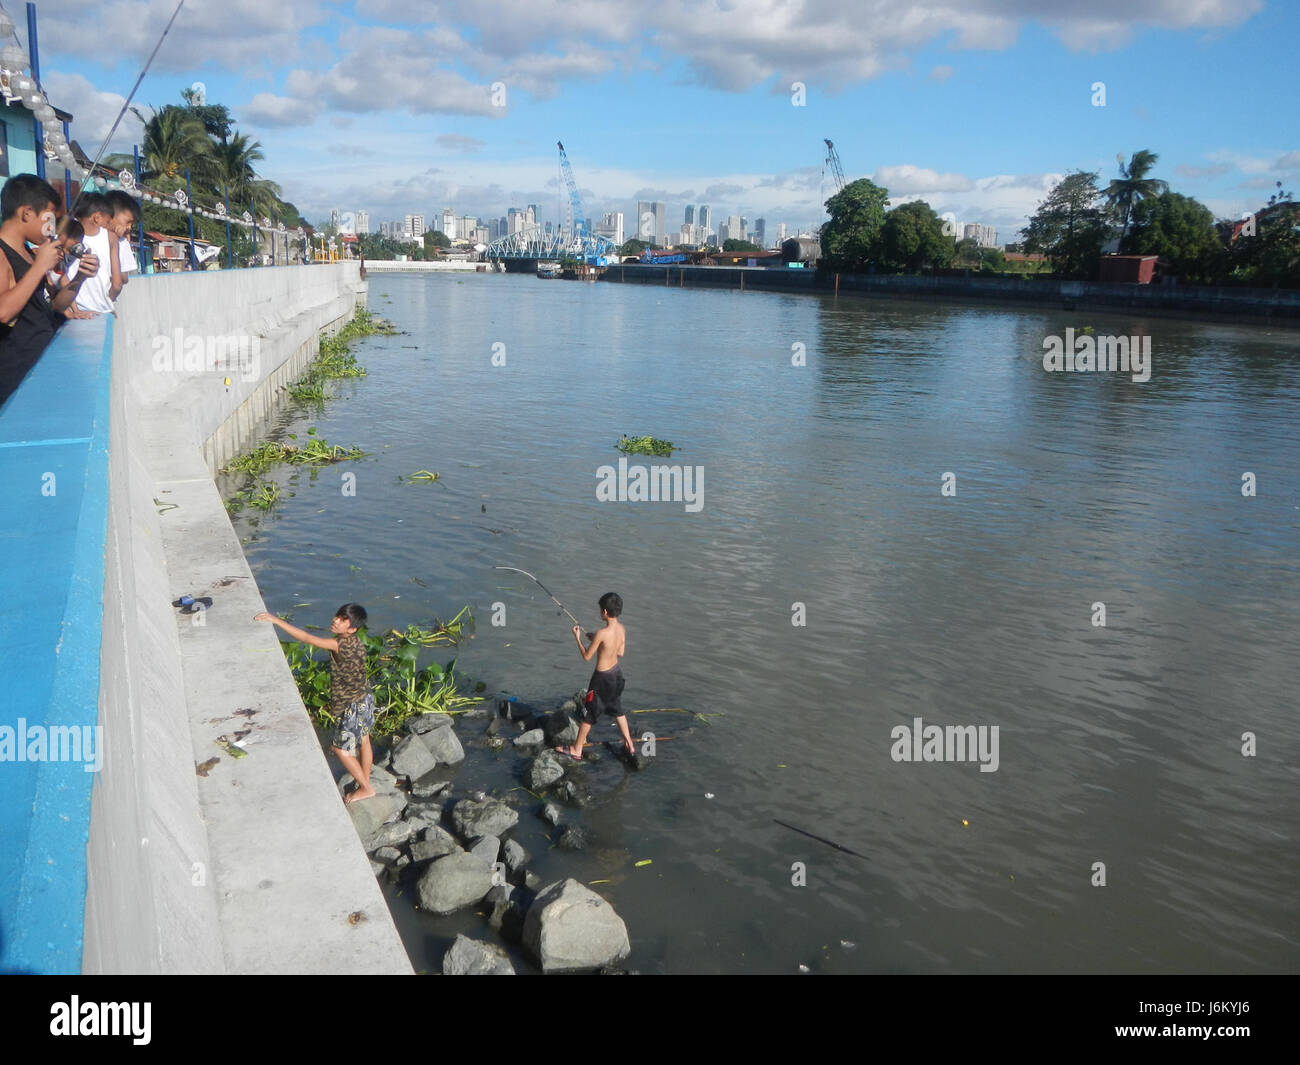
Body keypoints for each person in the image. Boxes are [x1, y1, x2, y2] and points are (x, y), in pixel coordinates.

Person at [255, 603, 378, 802]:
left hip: (350, 705)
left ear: (352, 629)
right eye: (337, 616)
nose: (335, 620)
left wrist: (276, 620)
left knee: (340, 749)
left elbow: (307, 638)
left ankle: (365, 788)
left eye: (342, 620)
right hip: (365, 697)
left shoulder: (339, 644)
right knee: (364, 739)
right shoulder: (356, 642)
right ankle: (366, 780)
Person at [0, 174, 100, 405]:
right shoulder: (3, 253)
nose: (52, 227)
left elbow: (52, 306)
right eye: (49, 218)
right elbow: (3, 312)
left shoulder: (28, 252)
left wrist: (80, 278)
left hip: (37, 372)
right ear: (26, 213)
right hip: (13, 382)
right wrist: (40, 267)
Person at [557, 592, 634, 758]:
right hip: (616, 676)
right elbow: (619, 652)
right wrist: (597, 641)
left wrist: (578, 638)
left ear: (604, 612)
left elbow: (586, 657)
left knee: (589, 713)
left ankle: (576, 749)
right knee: (617, 709)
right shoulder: (621, 629)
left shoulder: (602, 633)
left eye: (600, 609)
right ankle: (630, 744)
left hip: (601, 680)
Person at [72, 192, 123, 315]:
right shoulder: (110, 237)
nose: (107, 226)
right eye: (107, 222)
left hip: (74, 312)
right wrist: (106, 302)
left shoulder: (63, 235)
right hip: (103, 310)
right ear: (97, 218)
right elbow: (117, 284)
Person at [104, 190, 141, 287]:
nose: (129, 227)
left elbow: (124, 278)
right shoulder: (90, 235)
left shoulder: (122, 242)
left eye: (131, 224)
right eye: (128, 222)